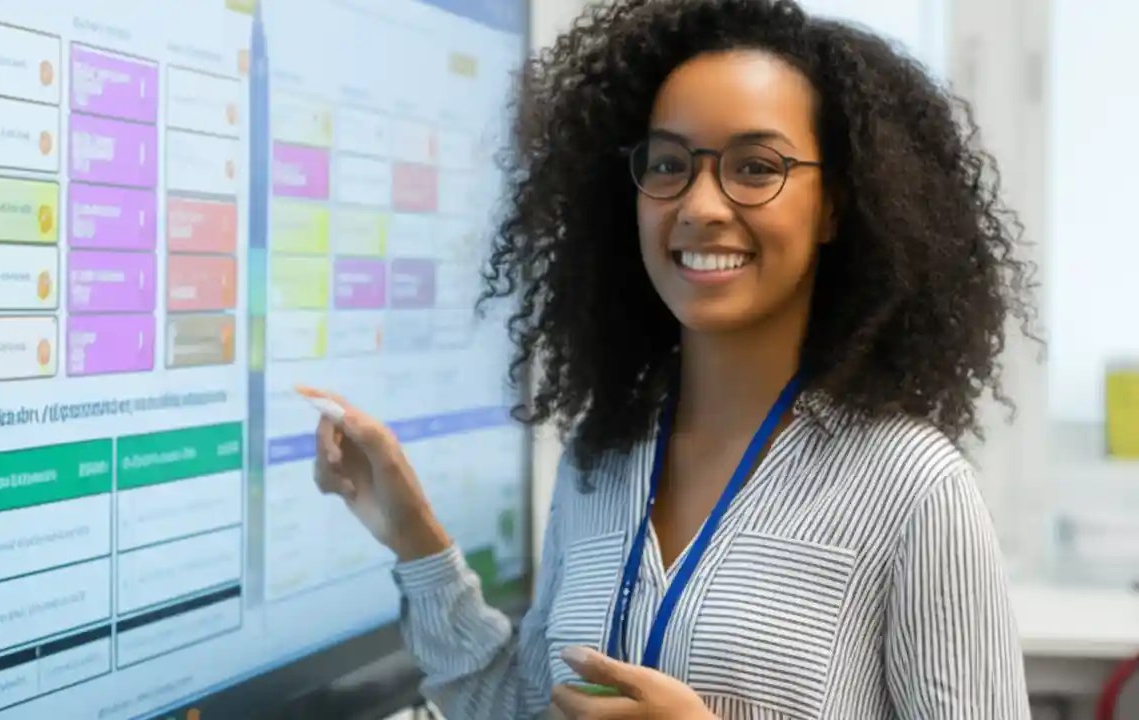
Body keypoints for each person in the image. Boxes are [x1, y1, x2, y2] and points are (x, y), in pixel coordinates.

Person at [302, 0, 1037, 717]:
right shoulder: (601, 459)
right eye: (669, 164)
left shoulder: (914, 491)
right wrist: (412, 534)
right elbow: (523, 706)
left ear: (836, 207)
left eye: (756, 167)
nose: (701, 205)